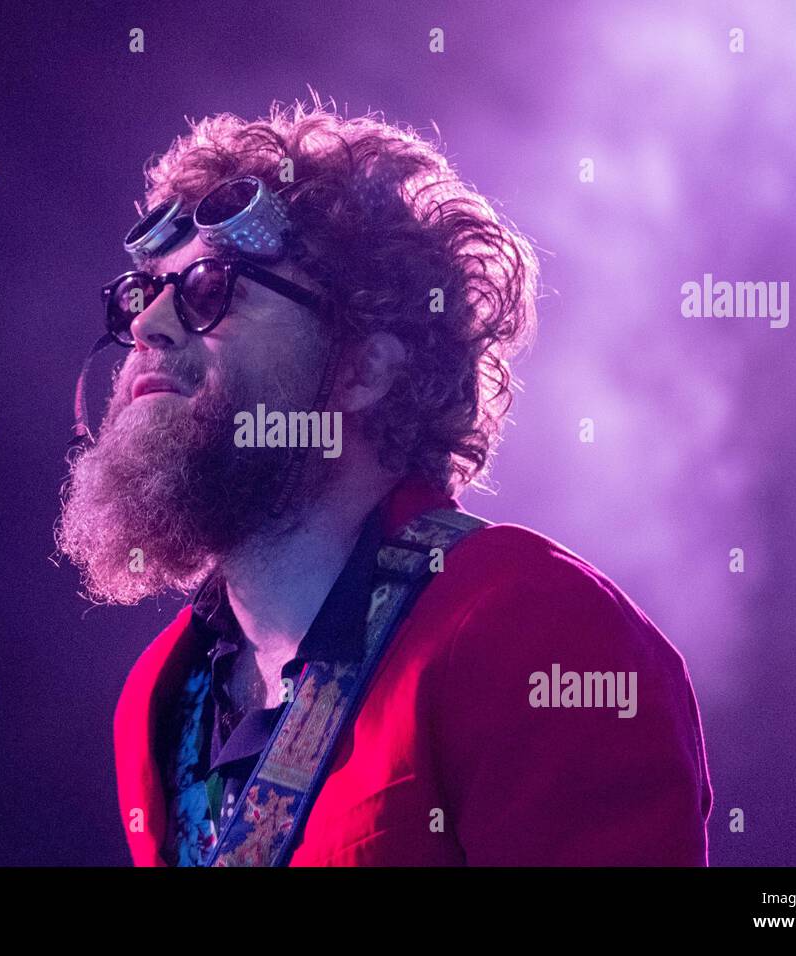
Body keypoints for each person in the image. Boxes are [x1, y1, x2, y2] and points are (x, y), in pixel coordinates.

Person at [55, 96, 712, 866]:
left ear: (366, 368)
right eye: (143, 294)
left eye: (210, 289)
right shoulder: (157, 694)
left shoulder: (536, 628)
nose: (148, 325)